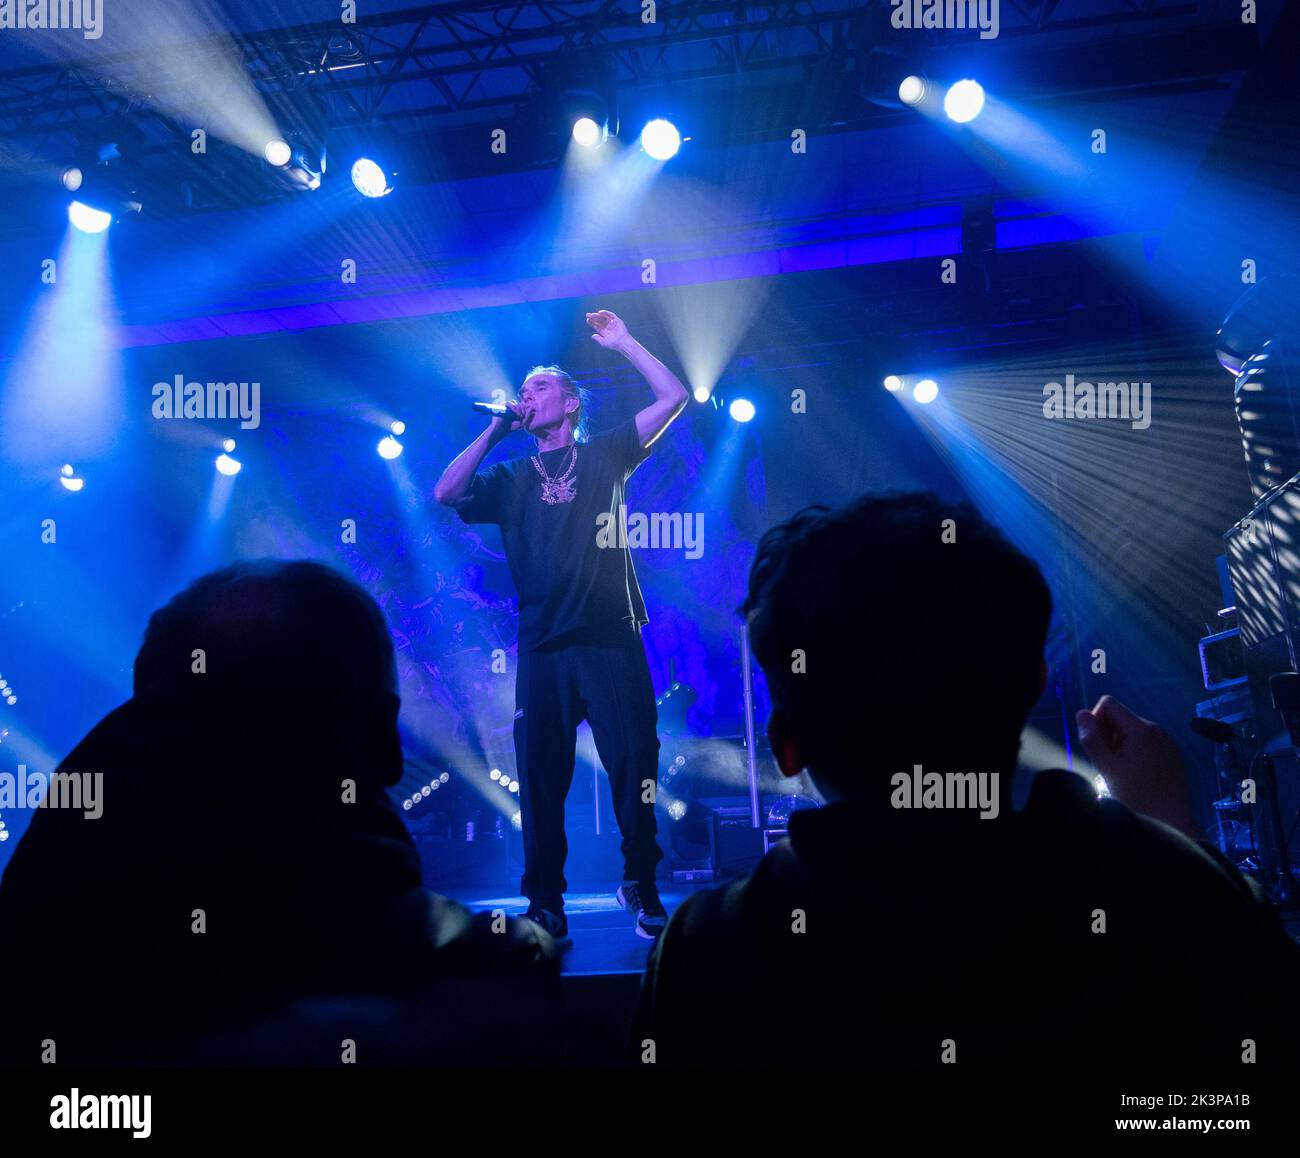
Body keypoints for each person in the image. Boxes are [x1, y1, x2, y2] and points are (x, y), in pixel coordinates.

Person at [632, 491, 1300, 1072]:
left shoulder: (706, 953)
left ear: (784, 744)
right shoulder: (1171, 899)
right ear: (1031, 684)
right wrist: (1172, 832)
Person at [0, 560, 577, 1066]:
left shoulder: (49, 909)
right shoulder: (457, 1012)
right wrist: (519, 945)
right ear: (381, 733)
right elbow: (411, 939)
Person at [434, 309, 689, 939]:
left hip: (609, 637)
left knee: (635, 768)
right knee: (540, 782)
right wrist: (495, 431)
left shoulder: (605, 455)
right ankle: (545, 899)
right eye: (522, 391)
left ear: (570, 404)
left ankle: (641, 883)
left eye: (539, 387)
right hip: (543, 647)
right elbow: (445, 493)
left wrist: (625, 340)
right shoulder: (511, 476)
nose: (527, 396)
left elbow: (674, 396)